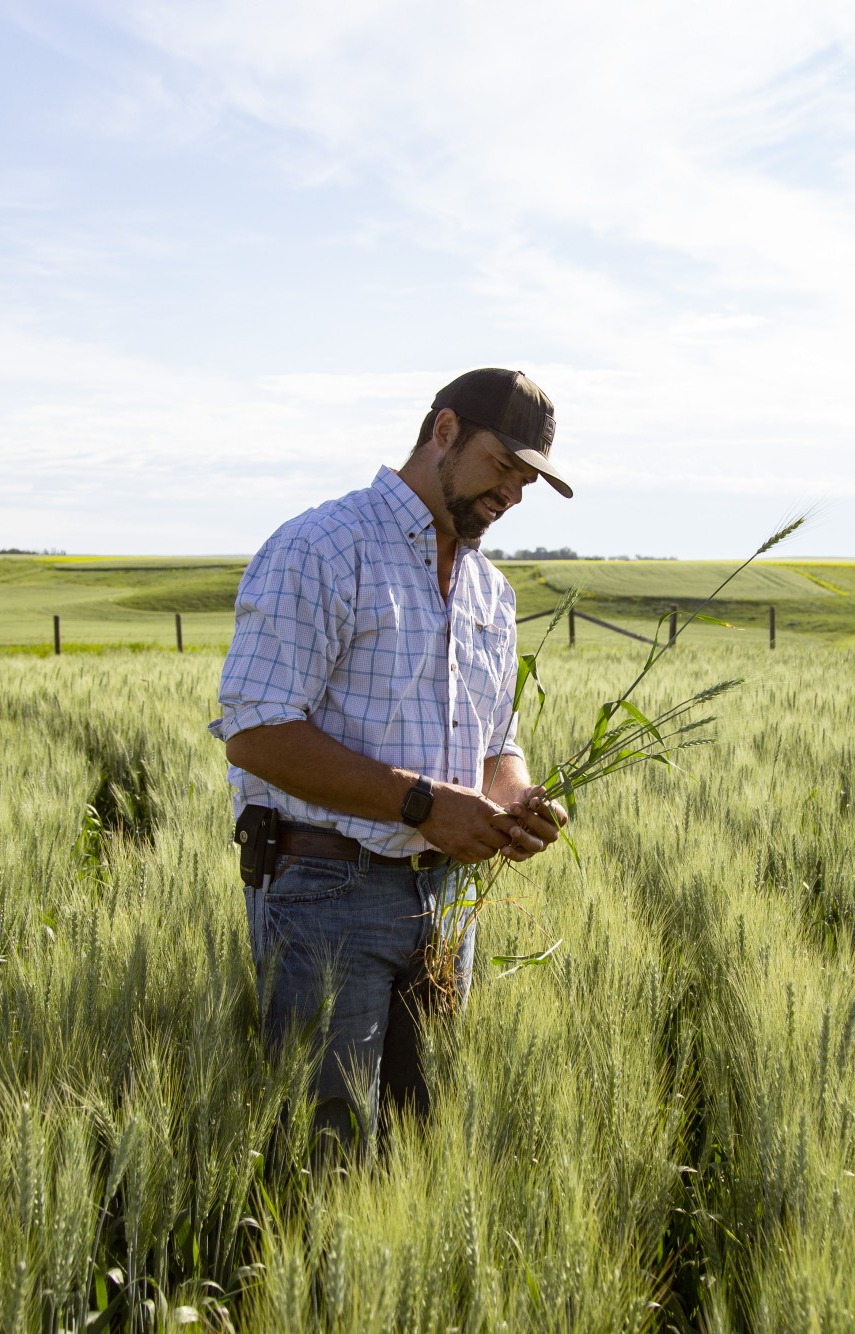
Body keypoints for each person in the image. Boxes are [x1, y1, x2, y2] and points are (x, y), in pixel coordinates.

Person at [210, 367, 573, 1156]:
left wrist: (515, 800)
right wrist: (422, 804)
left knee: (422, 1151)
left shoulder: (491, 593)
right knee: (324, 1157)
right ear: (443, 431)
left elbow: (494, 743)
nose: (511, 493)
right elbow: (259, 732)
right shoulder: (324, 547)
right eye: (503, 466)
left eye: (527, 481)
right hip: (327, 895)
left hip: (446, 904)